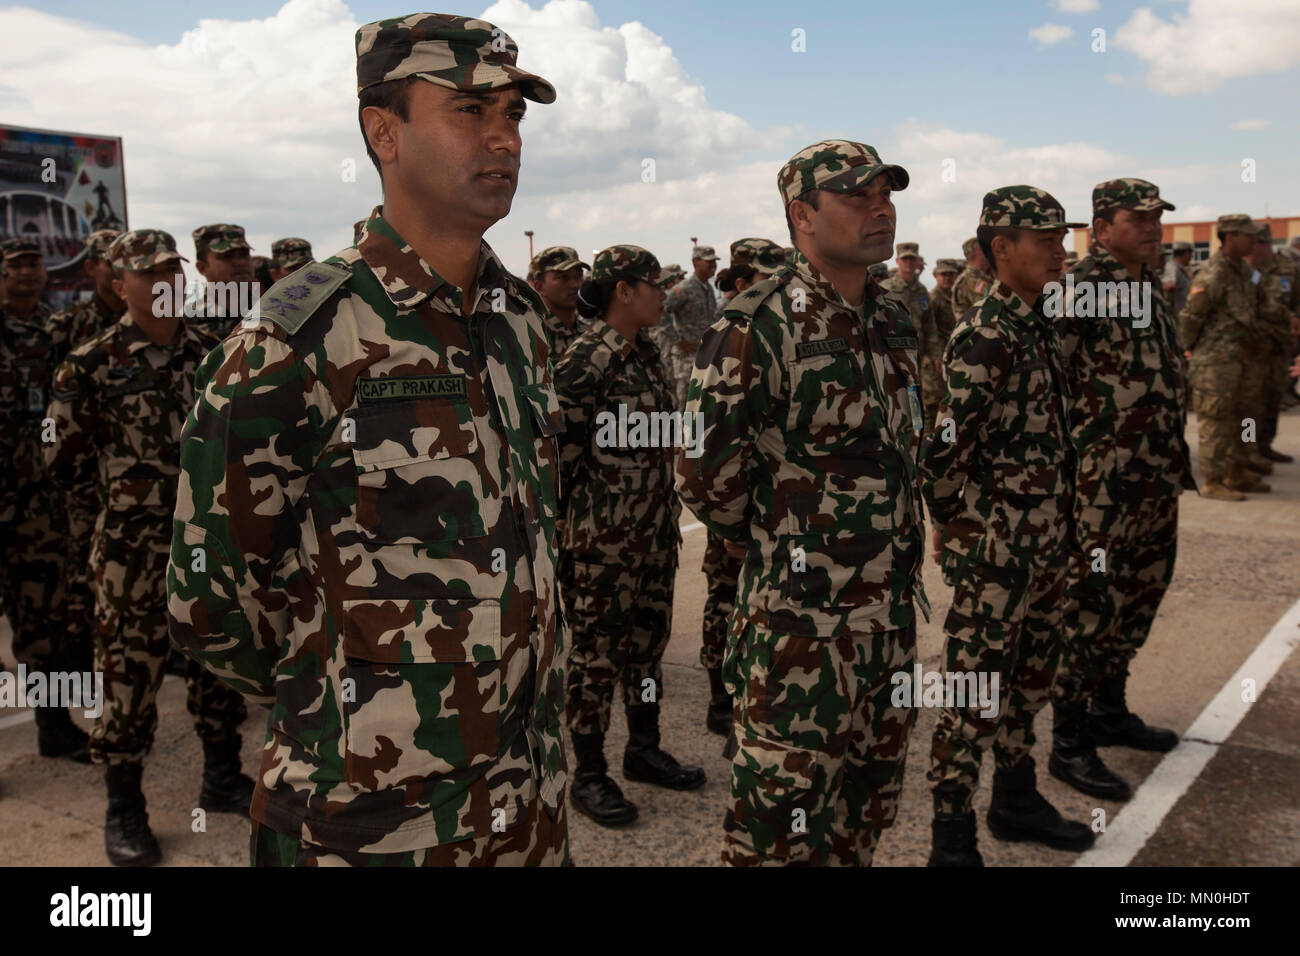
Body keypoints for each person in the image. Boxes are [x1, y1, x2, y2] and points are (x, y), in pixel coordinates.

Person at [166, 13, 569, 867]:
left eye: (514, 114)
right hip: (373, 828)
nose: (504, 137)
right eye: (470, 111)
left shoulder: (520, 319)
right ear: (383, 131)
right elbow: (211, 600)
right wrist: (348, 700)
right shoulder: (300, 338)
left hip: (527, 805)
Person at [677, 140, 929, 866]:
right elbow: (705, 477)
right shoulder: (756, 324)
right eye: (858, 196)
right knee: (776, 836)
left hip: (888, 625)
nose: (880, 210)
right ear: (802, 215)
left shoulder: (891, 318)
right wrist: (791, 546)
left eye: (886, 194)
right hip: (799, 636)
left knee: (864, 819)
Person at [45, 229, 255, 866]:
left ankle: (221, 778)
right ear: (119, 284)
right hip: (131, 556)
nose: (165, 283)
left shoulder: (213, 353)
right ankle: (125, 807)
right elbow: (60, 461)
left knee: (214, 665)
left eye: (172, 272)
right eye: (149, 274)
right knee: (129, 678)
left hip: (205, 546)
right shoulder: (87, 365)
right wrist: (108, 524)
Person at [921, 186, 1093, 866]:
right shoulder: (985, 336)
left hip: (1045, 544)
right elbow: (942, 452)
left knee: (1029, 681)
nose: (1059, 249)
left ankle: (1015, 800)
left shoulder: (1037, 322)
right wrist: (957, 530)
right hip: (996, 554)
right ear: (1001, 250)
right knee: (973, 694)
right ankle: (952, 836)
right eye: (1044, 238)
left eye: (1061, 237)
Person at [1050, 180, 1193, 807]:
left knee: (1140, 594)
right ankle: (1069, 743)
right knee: (1088, 608)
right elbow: (1048, 378)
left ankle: (1110, 709)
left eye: (1157, 218)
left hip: (1154, 475)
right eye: (1139, 219)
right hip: (1101, 485)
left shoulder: (1148, 286)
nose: (1153, 227)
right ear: (1100, 228)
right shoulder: (1083, 288)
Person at [555, 245, 703, 827]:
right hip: (602, 544)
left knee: (646, 654)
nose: (662, 293)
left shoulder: (647, 352)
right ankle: (589, 774)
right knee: (595, 660)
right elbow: (556, 460)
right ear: (623, 290)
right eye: (652, 284)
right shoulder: (585, 361)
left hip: (654, 533)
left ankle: (643, 749)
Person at [0, 237, 91, 763]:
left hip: (36, 505)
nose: (28, 273)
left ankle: (54, 729)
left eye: (34, 264)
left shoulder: (51, 334)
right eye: (17, 266)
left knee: (43, 620)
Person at [1179, 214, 1266, 499]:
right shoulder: (1212, 273)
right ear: (1230, 237)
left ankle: (1237, 471)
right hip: (1216, 363)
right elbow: (1192, 316)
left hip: (1243, 359)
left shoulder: (1243, 270)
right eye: (1248, 235)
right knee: (1216, 421)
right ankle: (1213, 481)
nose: (1254, 240)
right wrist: (1186, 349)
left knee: (1244, 419)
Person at [1249, 223, 1298, 465]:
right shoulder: (1242, 269)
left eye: (1254, 244)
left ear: (1264, 244)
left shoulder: (1288, 268)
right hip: (1250, 348)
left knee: (1272, 398)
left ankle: (1265, 446)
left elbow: (1298, 301)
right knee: (1249, 403)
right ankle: (1248, 451)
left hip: (1279, 347)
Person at [882, 243, 940, 437]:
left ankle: (915, 438)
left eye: (911, 259)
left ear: (917, 262)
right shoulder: (887, 288)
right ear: (897, 261)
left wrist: (935, 355)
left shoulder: (922, 290)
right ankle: (895, 437)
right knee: (895, 398)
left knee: (916, 397)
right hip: (893, 354)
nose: (908, 263)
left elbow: (929, 324)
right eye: (904, 259)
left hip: (918, 353)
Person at [662, 245, 718, 407]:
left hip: (706, 355)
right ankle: (684, 433)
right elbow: (661, 311)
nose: (713, 265)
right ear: (696, 262)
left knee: (703, 403)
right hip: (687, 358)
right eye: (708, 261)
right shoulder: (683, 288)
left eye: (714, 261)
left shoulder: (708, 289)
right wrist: (677, 340)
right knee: (686, 403)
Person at [190, 224, 255, 335]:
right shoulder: (192, 322)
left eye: (244, 254)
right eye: (227, 256)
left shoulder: (273, 311)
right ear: (202, 267)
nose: (240, 262)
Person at [529, 245, 590, 358]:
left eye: (578, 276)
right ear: (540, 287)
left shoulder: (588, 331)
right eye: (563, 278)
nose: (575, 285)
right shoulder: (533, 334)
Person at [951, 236, 993, 318]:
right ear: (979, 251)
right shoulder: (968, 280)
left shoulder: (984, 276)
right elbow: (989, 309)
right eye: (987, 248)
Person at [1162, 241, 1193, 319]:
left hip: (1181, 316)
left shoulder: (1180, 269)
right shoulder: (1172, 268)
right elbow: (1167, 286)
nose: (1191, 257)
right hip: (1175, 316)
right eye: (1190, 254)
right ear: (1186, 253)